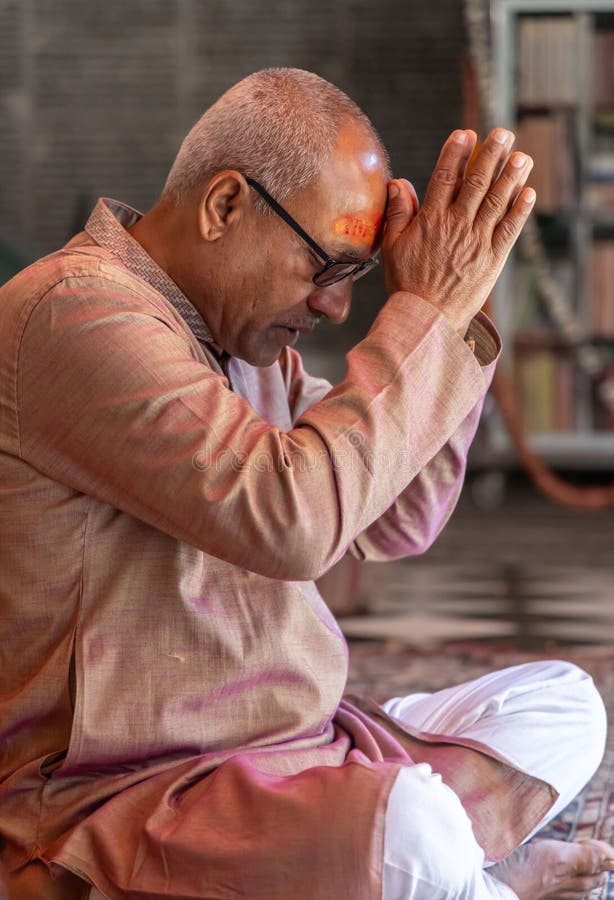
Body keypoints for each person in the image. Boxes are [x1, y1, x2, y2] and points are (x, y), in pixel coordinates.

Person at [0, 68, 611, 900]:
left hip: (296, 754)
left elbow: (396, 516)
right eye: (327, 265)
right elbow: (292, 521)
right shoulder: (77, 312)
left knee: (564, 707)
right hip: (132, 796)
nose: (334, 308)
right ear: (225, 206)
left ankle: (444, 873)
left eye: (355, 278)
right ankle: (470, 877)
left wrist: (452, 311)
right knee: (416, 831)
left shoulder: (246, 346)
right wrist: (423, 319)